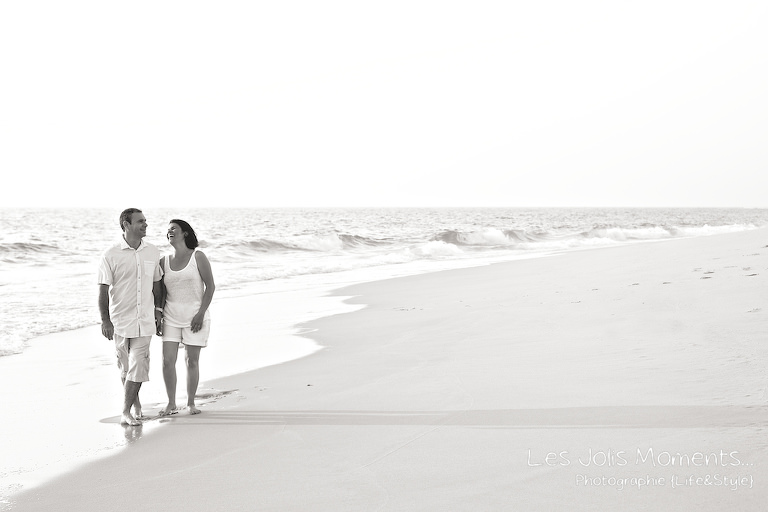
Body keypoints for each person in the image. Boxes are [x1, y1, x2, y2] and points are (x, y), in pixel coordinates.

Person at [98, 208, 163, 426]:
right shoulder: (111, 255)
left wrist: (159, 312)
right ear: (126, 225)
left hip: (145, 319)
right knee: (124, 367)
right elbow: (103, 290)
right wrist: (105, 320)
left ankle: (125, 411)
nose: (145, 224)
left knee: (139, 365)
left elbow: (157, 286)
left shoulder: (152, 252)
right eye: (140, 221)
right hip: (120, 321)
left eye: (145, 221)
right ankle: (135, 404)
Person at [158, 219, 215, 416]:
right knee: (167, 361)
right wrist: (158, 316)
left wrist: (200, 314)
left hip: (195, 318)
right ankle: (171, 403)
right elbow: (161, 292)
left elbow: (210, 287)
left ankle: (190, 403)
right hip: (171, 317)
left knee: (191, 361)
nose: (169, 232)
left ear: (185, 234)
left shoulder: (198, 257)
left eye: (173, 229)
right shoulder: (163, 261)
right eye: (168, 230)